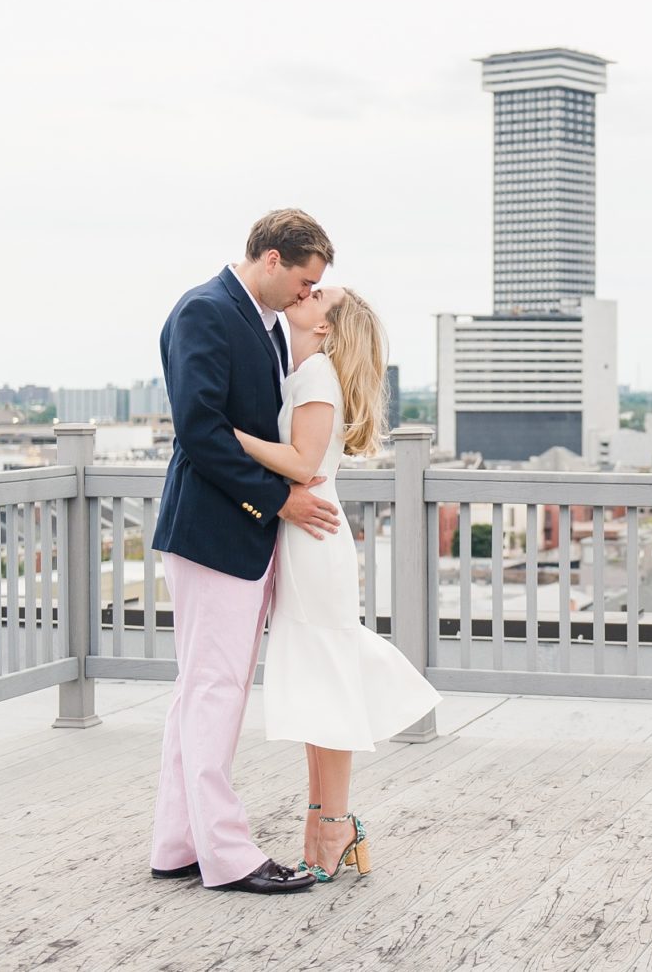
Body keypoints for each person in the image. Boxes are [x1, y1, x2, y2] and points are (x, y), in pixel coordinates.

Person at [148, 209, 341, 895]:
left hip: (233, 533)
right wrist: (278, 498)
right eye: (302, 280)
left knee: (199, 692)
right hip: (213, 531)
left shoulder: (258, 320)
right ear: (270, 259)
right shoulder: (204, 312)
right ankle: (226, 856)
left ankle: (177, 843)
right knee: (213, 694)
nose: (306, 294)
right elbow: (199, 431)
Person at [234, 285, 442, 882]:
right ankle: (325, 823)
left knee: (325, 681)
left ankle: (333, 828)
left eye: (318, 293)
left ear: (325, 327)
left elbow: (304, 464)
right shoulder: (305, 370)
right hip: (303, 539)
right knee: (315, 686)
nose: (306, 291)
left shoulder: (317, 373)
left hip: (314, 543)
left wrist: (226, 437)